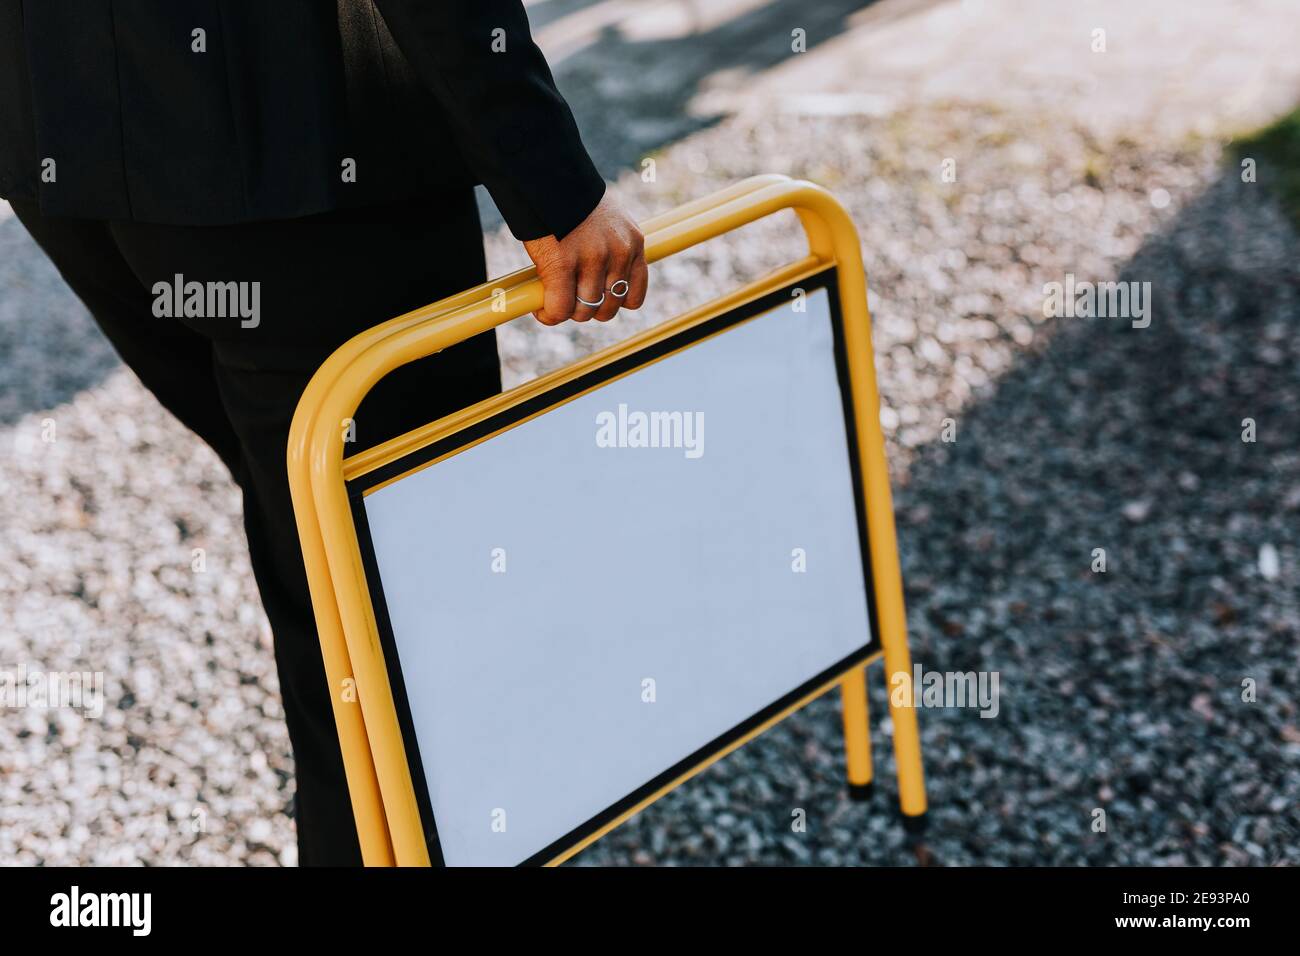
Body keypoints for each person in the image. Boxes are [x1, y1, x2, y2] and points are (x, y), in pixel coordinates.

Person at [0, 0, 647, 866]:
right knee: (399, 601)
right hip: (297, 152)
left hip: (60, 128)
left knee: (326, 557)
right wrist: (553, 183)